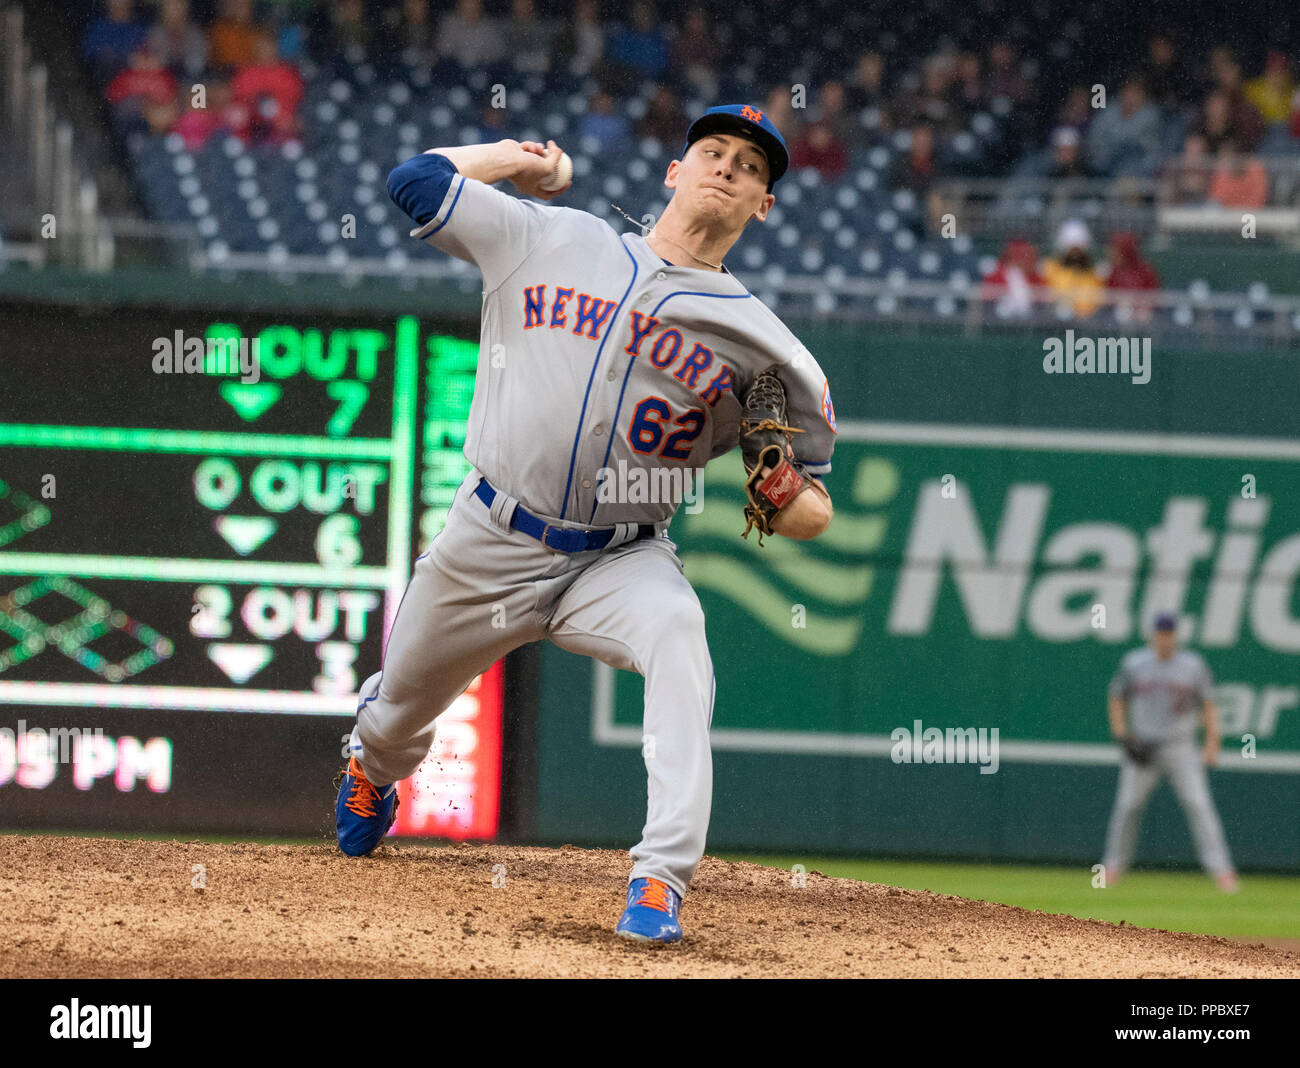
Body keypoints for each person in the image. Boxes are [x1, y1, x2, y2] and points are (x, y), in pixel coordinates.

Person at [341, 103, 837, 944]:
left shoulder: (768, 347)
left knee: (680, 633)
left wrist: (778, 483)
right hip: (489, 540)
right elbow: (415, 182)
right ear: (675, 172)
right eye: (712, 151)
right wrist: (511, 157)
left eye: (750, 167)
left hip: (619, 560)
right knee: (394, 720)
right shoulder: (550, 237)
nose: (727, 167)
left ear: (763, 206)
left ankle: (660, 879)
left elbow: (814, 514)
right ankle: (371, 769)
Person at [1102, 613, 1238, 893]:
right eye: (1161, 632)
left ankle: (1222, 870)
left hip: (1180, 745)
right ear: (1153, 634)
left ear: (1176, 635)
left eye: (1170, 632)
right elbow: (1116, 695)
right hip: (1143, 746)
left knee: (1199, 805)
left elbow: (1208, 704)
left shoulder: (1192, 665)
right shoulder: (1134, 662)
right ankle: (1112, 867)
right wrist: (1121, 734)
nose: (1165, 637)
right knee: (1128, 806)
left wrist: (1212, 743)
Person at [1041, 218, 1103, 317]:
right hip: (1058, 324)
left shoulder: (1096, 273)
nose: (1075, 255)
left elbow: (1097, 300)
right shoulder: (1050, 269)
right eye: (1072, 250)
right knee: (1069, 332)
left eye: (1078, 250)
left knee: (1071, 331)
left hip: (1087, 323)